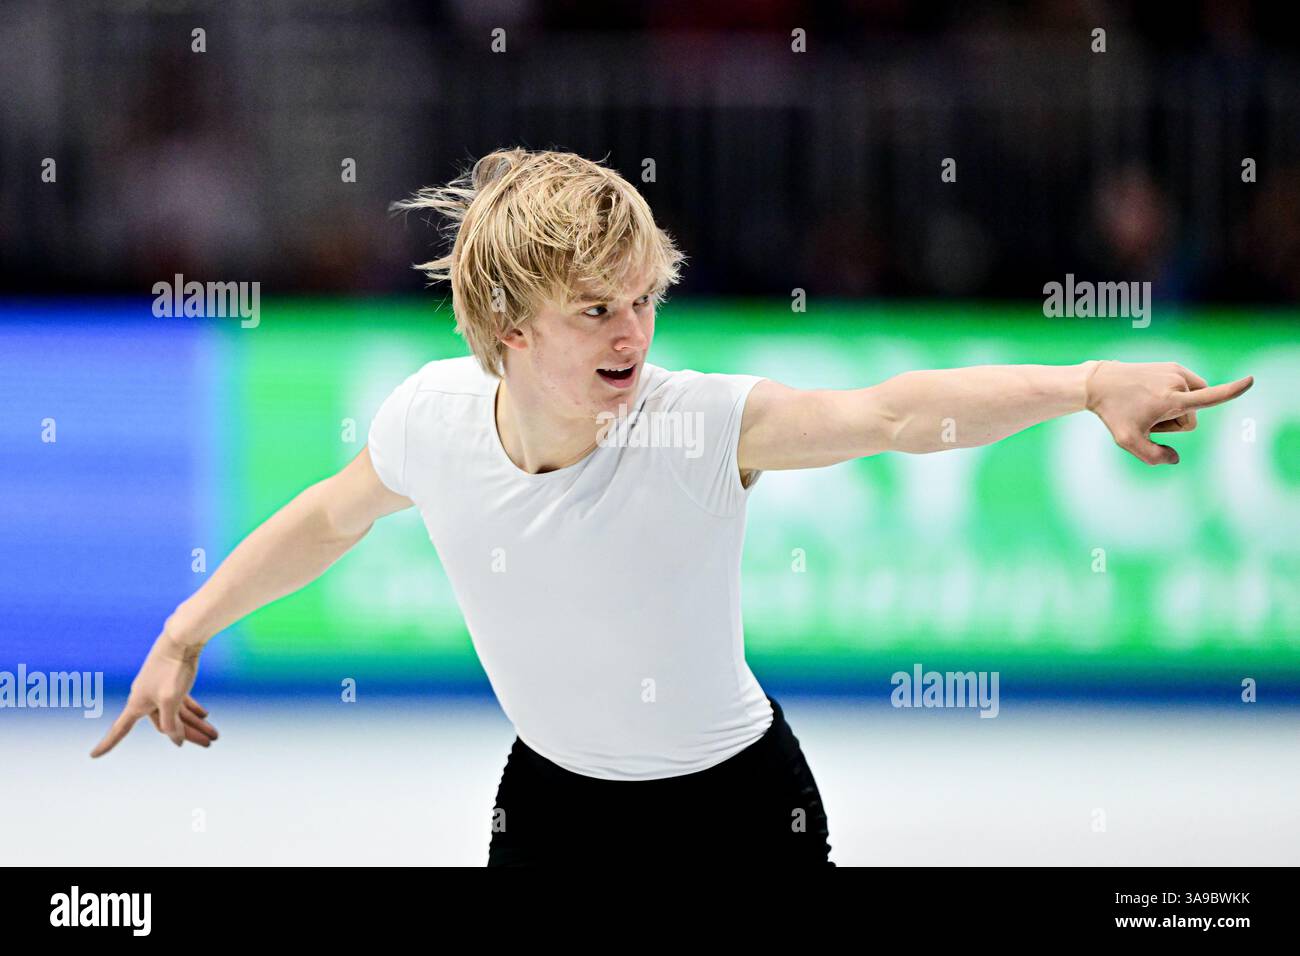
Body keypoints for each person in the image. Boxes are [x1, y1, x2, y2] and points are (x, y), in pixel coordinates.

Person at [90, 148, 1254, 867]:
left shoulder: (695, 422)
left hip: (740, 820)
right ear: (509, 327)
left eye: (643, 300)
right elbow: (331, 516)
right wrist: (186, 628)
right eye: (596, 309)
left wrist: (1087, 383)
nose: (632, 333)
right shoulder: (432, 422)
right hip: (547, 812)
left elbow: (895, 413)